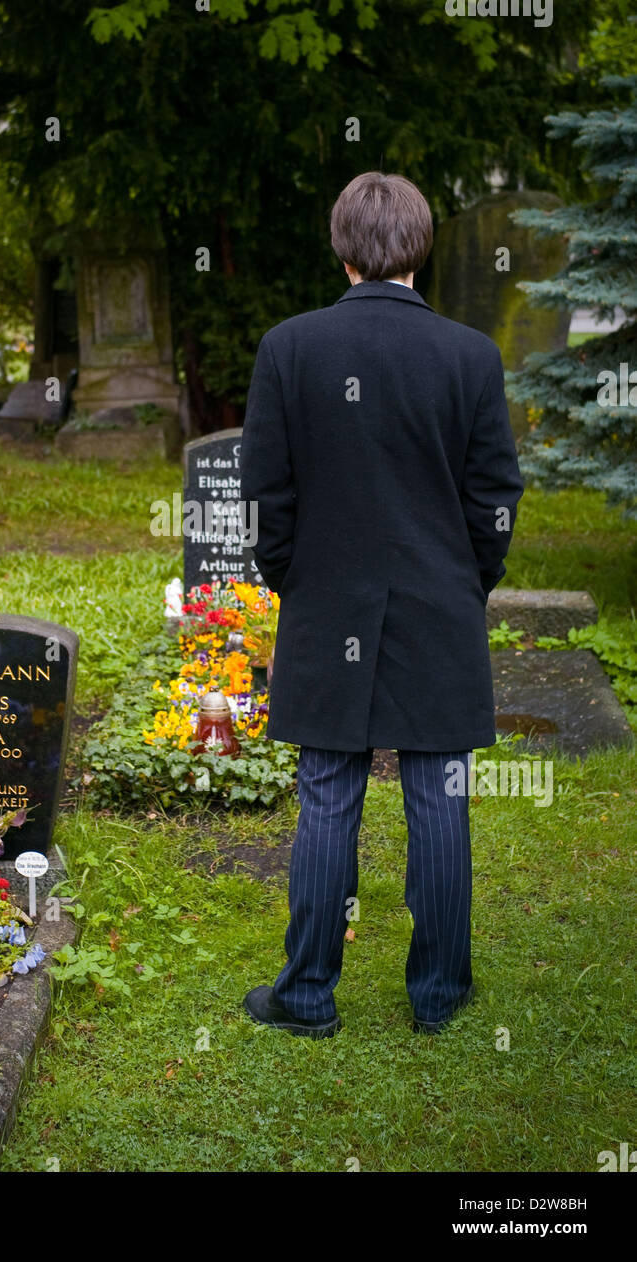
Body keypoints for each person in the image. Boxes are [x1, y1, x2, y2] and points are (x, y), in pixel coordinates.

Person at [239, 171, 524, 1039]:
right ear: (419, 247)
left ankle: (308, 995)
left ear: (342, 246)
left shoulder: (290, 348)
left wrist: (299, 584)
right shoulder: (470, 355)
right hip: (438, 604)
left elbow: (266, 501)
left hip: (329, 603)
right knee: (439, 795)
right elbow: (495, 498)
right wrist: (464, 581)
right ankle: (438, 995)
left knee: (327, 796)